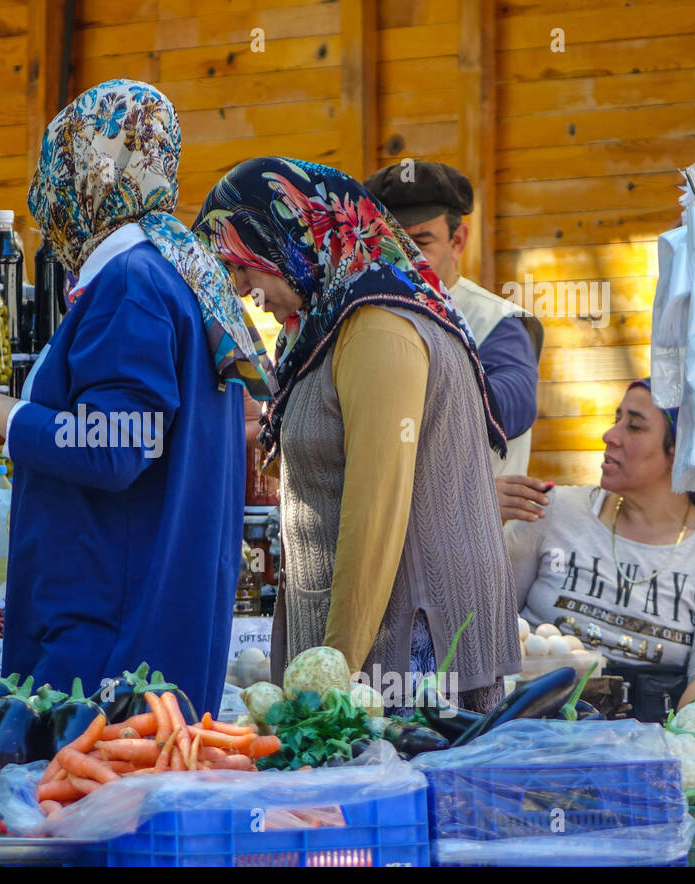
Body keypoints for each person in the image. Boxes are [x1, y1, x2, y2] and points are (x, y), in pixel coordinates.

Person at [0, 80, 275, 717]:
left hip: (109, 650)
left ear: (84, 170)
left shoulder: (131, 282)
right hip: (154, 627)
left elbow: (118, 444)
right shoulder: (182, 271)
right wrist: (17, 429)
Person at [193, 157, 519, 713]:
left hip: (405, 646)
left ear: (291, 240)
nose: (246, 291)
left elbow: (376, 509)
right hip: (375, 640)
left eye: (245, 267)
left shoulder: (378, 327)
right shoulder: (335, 322)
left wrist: (332, 672)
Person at [504, 379, 695, 722]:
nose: (610, 434)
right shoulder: (554, 511)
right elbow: (488, 620)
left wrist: (680, 744)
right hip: (533, 729)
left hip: (648, 734)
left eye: (634, 426)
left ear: (683, 451)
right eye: (616, 418)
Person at [365, 161, 542, 477]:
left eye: (421, 243)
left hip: (478, 524)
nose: (403, 259)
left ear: (457, 241)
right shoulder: (356, 318)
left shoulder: (498, 322)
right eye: (389, 243)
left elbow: (509, 409)